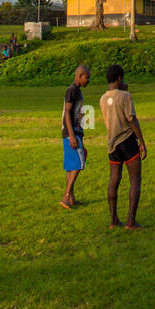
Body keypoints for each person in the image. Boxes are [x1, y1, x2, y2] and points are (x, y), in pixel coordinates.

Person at [99, 64, 147, 230]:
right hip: (127, 141)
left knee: (114, 180)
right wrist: (142, 141)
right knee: (135, 180)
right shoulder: (125, 96)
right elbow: (132, 119)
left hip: (112, 144)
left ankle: (113, 220)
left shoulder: (102, 98)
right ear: (119, 78)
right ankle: (131, 222)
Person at [60, 63, 91, 210]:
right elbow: (67, 112)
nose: (88, 80)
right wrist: (72, 135)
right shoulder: (72, 91)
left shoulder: (78, 91)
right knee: (79, 164)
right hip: (70, 133)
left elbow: (79, 114)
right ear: (79, 76)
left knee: (71, 166)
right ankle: (66, 196)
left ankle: (71, 199)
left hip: (75, 132)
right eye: (87, 77)